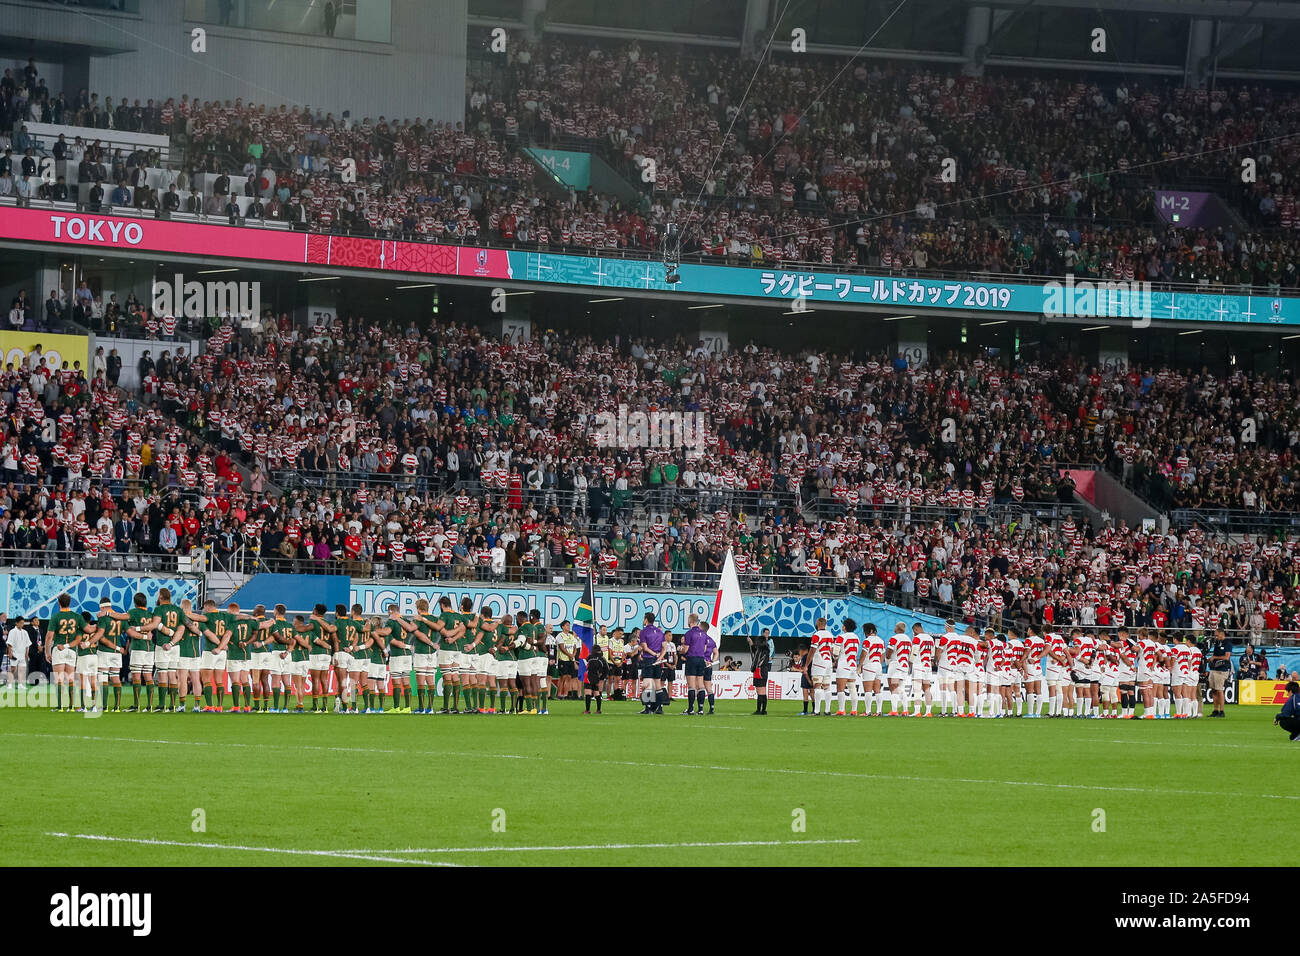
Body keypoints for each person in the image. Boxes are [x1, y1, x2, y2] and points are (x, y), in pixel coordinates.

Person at [1207, 628, 1233, 718]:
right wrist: (1211, 659)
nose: (1216, 637)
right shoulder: (1217, 643)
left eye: (1217, 635)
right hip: (1214, 668)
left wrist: (1215, 657)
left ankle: (1222, 711)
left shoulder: (1228, 643)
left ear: (1222, 634)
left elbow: (1227, 657)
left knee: (1219, 690)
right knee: (1214, 690)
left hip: (1222, 670)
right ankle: (1215, 710)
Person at [747, 627, 772, 715]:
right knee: (762, 690)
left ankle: (760, 710)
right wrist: (751, 643)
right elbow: (755, 650)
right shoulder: (765, 650)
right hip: (763, 671)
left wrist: (752, 669)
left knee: (760, 690)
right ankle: (762, 710)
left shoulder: (761, 651)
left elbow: (757, 661)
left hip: (760, 670)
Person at [583, 643, 608, 714]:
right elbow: (606, 669)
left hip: (588, 676)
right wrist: (602, 678)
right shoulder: (602, 659)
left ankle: (587, 710)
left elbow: (586, 664)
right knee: (596, 692)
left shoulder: (590, 657)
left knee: (588, 693)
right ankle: (598, 709)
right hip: (597, 677)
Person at [6, 615, 30, 686]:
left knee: (21, 670)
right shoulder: (12, 631)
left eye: (23, 623)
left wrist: (26, 654)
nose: (22, 624)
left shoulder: (25, 632)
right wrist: (10, 654)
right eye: (20, 623)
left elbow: (27, 644)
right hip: (15, 653)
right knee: (13, 669)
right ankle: (10, 684)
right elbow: (9, 644)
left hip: (22, 654)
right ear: (16, 623)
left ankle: (20, 684)